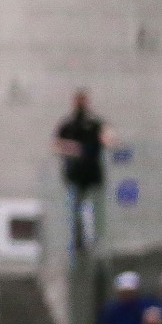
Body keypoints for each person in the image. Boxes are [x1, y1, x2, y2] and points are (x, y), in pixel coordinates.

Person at [55, 90, 108, 254]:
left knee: (93, 210)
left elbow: (108, 138)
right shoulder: (68, 124)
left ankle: (93, 240)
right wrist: (76, 149)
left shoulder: (94, 123)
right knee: (75, 209)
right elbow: (57, 144)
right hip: (75, 175)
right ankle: (78, 242)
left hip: (92, 175)